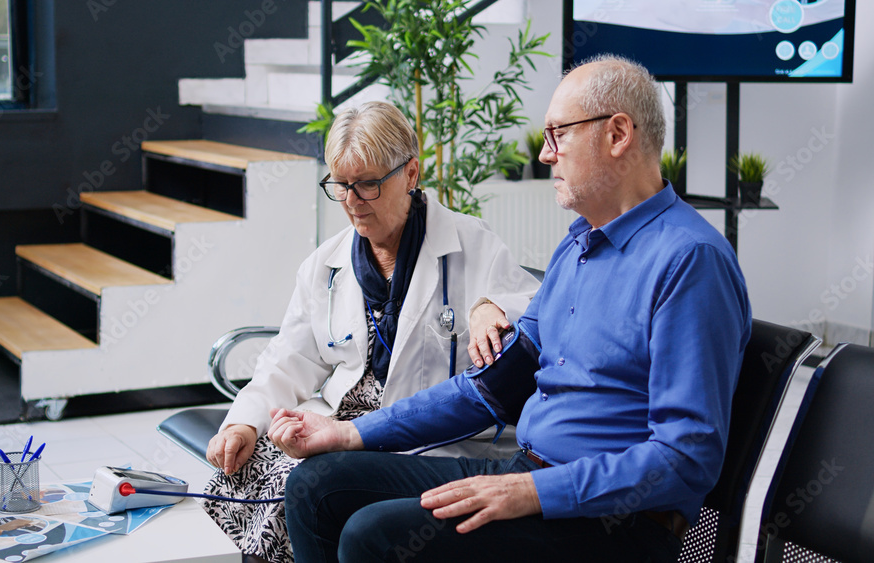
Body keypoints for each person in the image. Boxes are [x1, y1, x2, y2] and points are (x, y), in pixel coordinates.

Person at [270, 55, 752, 563]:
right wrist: (348, 432)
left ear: (617, 135)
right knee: (316, 486)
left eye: (557, 135)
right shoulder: (579, 246)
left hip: (613, 523)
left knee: (375, 534)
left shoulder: (690, 262)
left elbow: (686, 458)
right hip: (529, 472)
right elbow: (490, 388)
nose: (545, 155)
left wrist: (531, 494)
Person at [201, 101, 540, 563]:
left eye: (368, 185)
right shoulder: (326, 264)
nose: (352, 202)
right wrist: (245, 419)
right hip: (340, 421)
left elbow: (535, 310)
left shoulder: (470, 244)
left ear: (411, 173)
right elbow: (289, 357)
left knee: (304, 487)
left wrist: (489, 305)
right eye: (340, 185)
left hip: (427, 438)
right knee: (245, 469)